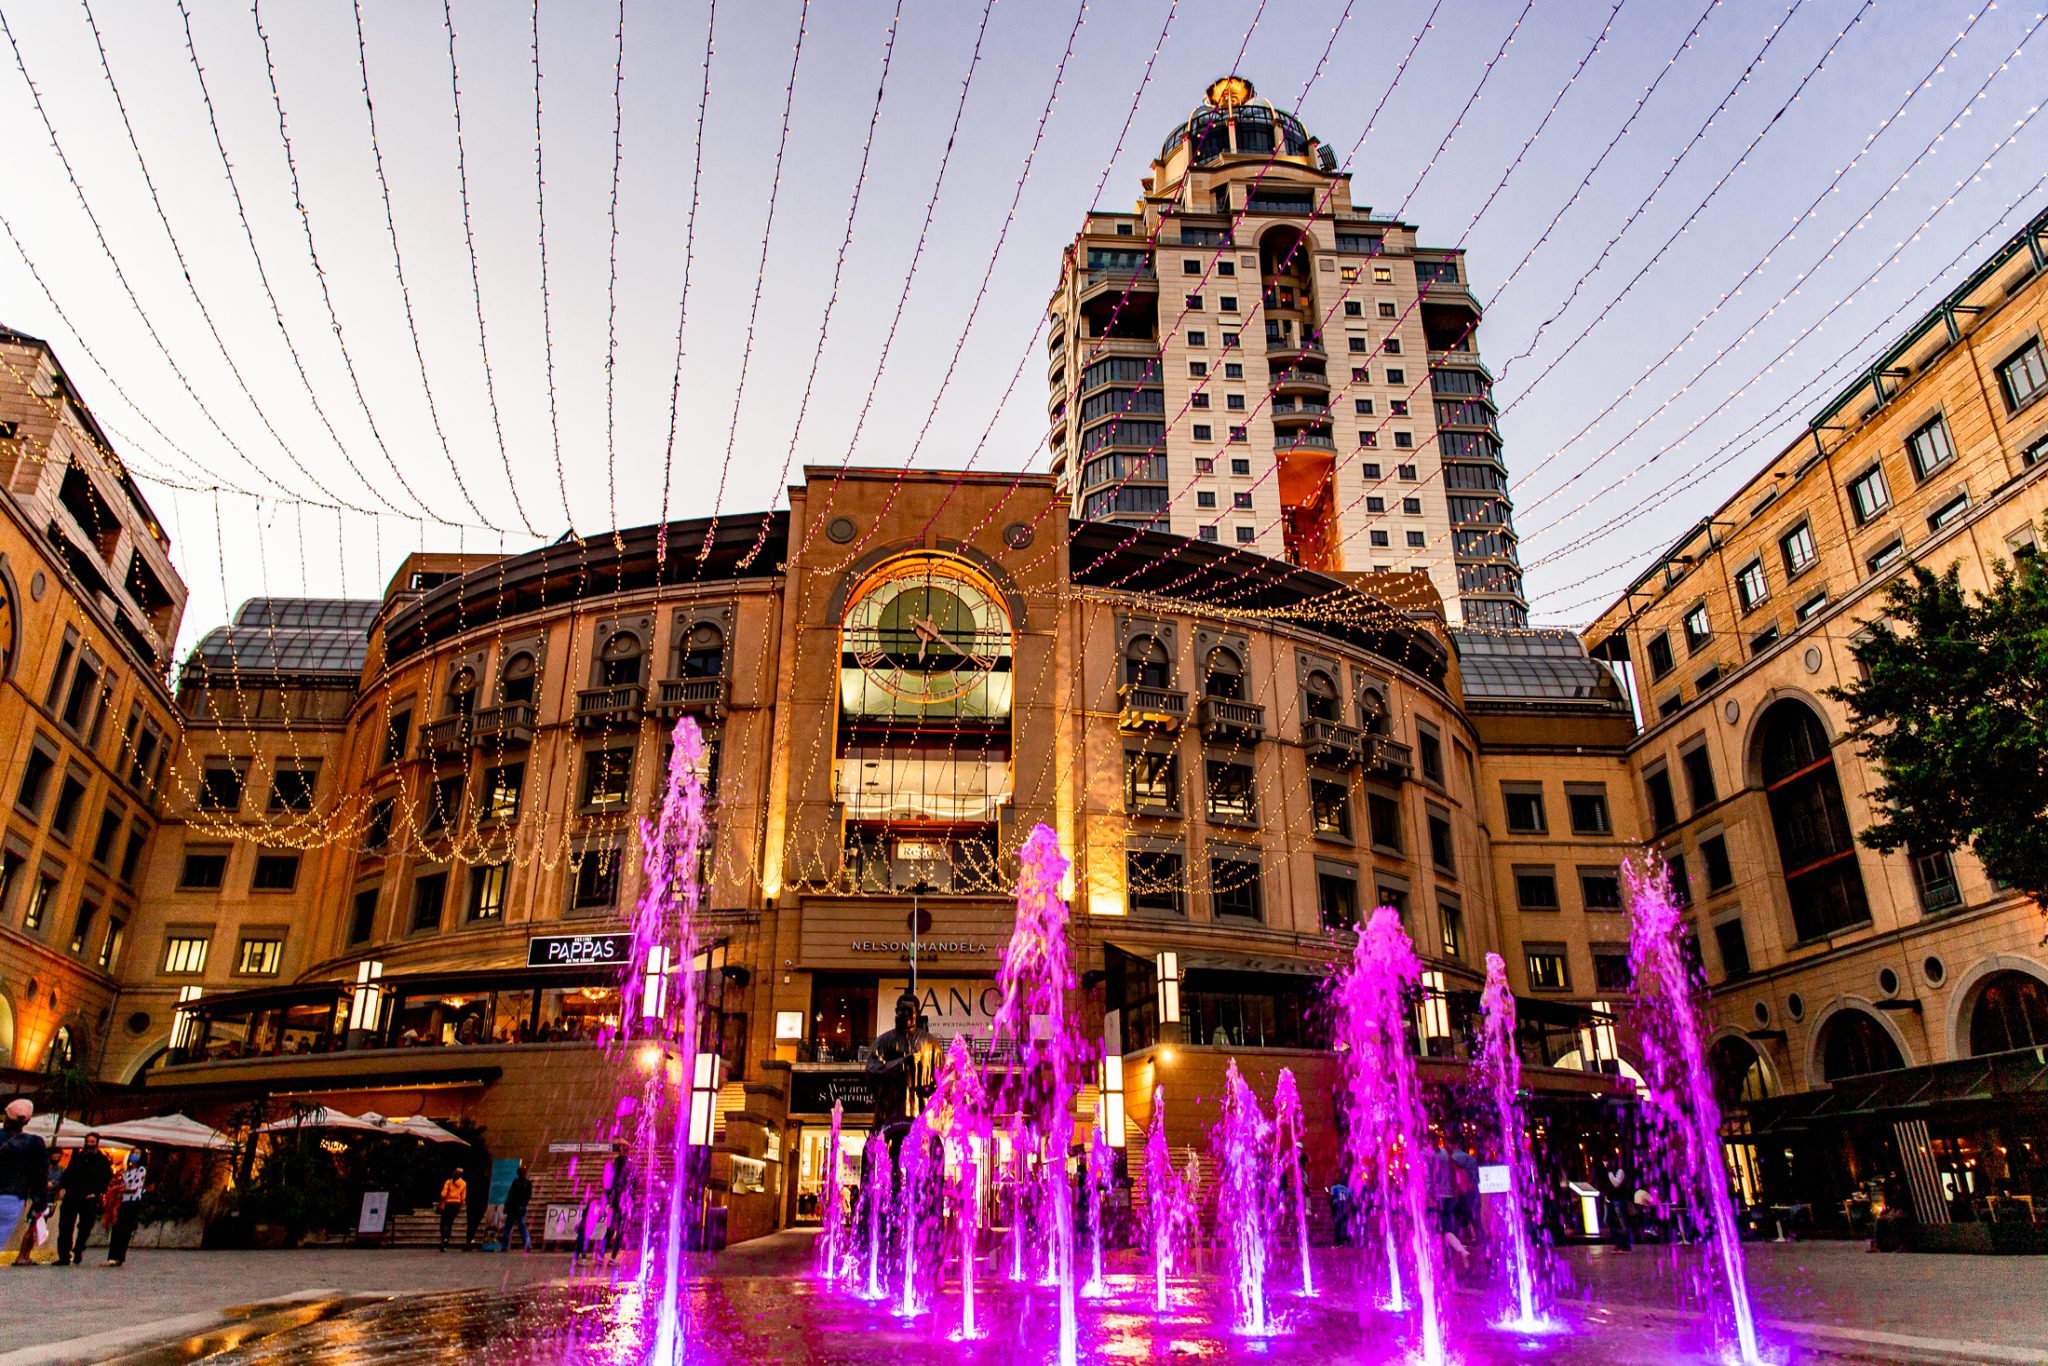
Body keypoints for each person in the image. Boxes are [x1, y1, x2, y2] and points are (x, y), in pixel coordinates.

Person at [1, 1098, 50, 1268]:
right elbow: (40, 1176)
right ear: (27, 1121)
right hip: (12, 1198)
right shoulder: (34, 1143)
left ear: (5, 1116)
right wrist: (40, 1203)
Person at [55, 1133, 113, 1266]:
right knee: (65, 1225)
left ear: (97, 1143)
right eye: (88, 1141)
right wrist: (63, 1187)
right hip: (72, 1195)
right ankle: (64, 1256)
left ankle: (79, 1247)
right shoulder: (78, 1157)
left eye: (92, 1142)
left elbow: (106, 1178)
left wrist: (96, 1192)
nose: (89, 1144)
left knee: (86, 1225)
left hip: (89, 1197)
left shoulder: (102, 1160)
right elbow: (68, 1173)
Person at [105, 1150, 147, 1267]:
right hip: (122, 1201)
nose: (135, 1155)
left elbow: (134, 1188)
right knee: (116, 1227)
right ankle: (112, 1256)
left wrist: (119, 1189)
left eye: (138, 1153)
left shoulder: (141, 1170)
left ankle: (119, 1257)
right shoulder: (127, 1171)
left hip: (132, 1201)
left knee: (125, 1229)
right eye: (134, 1153)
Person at [1598, 1155, 1634, 1251]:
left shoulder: (1620, 1171)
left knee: (1623, 1222)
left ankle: (1626, 1244)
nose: (1605, 1163)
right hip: (1609, 1199)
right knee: (1607, 1220)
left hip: (1619, 1199)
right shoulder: (1605, 1173)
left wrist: (1610, 1173)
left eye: (1607, 1161)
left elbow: (1616, 1184)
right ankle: (1619, 1240)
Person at [503, 1164, 533, 1253]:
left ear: (518, 1173)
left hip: (513, 1207)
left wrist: (506, 1205)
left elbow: (510, 1195)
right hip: (522, 1207)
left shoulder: (515, 1182)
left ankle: (504, 1246)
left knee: (508, 1227)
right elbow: (529, 1196)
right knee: (523, 1227)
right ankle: (527, 1244)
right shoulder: (528, 1183)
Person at [437, 1168, 468, 1252]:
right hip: (456, 1204)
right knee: (450, 1223)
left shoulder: (449, 1182)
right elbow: (463, 1197)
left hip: (448, 1204)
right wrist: (460, 1205)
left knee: (443, 1223)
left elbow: (443, 1194)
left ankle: (443, 1239)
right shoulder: (464, 1183)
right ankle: (447, 1239)